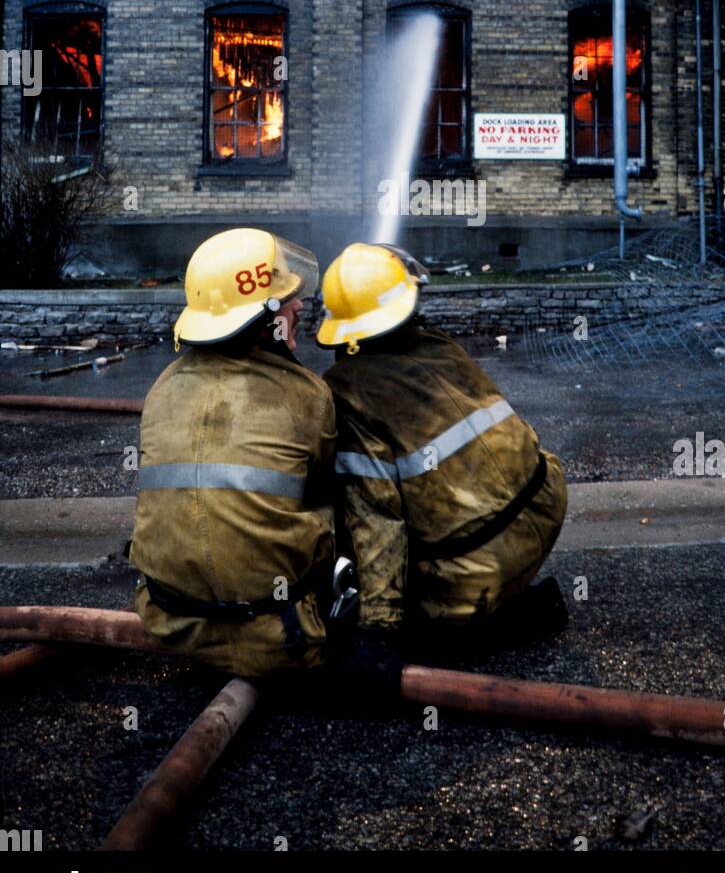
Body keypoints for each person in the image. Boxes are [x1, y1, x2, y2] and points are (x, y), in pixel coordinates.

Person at [317, 242, 568, 663]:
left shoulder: (348, 395)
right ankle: (507, 599)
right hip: (542, 510)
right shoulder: (441, 347)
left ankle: (477, 621)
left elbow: (376, 518)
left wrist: (378, 632)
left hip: (472, 569)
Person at [129, 228, 342, 678]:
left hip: (171, 623)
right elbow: (326, 490)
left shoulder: (161, 387)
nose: (299, 306)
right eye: (287, 299)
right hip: (283, 634)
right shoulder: (308, 395)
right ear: (263, 321)